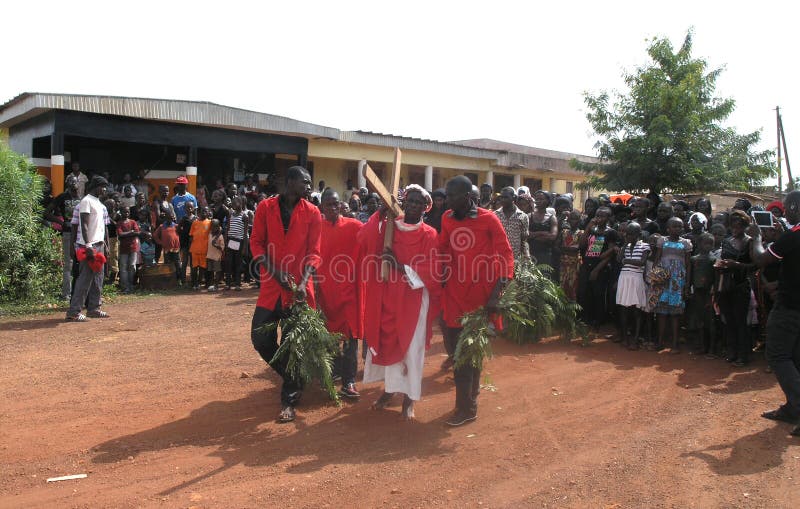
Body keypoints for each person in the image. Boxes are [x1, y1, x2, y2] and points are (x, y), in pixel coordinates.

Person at [360, 185, 441, 419]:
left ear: (426, 208)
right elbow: (364, 239)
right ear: (404, 202)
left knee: (411, 349)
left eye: (419, 203)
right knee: (390, 343)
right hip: (389, 295)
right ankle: (390, 390)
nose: (414, 206)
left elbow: (433, 271)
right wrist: (381, 213)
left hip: (413, 298)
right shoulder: (390, 228)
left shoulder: (429, 234)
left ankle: (409, 399)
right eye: (410, 201)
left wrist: (399, 266)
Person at [439, 176, 514, 426]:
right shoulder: (447, 218)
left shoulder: (488, 218)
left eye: (451, 196)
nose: (447, 200)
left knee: (467, 352)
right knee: (458, 347)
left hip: (480, 295)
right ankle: (471, 393)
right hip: (453, 293)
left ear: (467, 197)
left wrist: (496, 293)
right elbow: (443, 249)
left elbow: (505, 254)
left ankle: (466, 408)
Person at [249, 166, 322, 423]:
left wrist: (303, 283)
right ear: (290, 181)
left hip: (299, 292)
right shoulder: (265, 208)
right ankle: (294, 377)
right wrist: (273, 271)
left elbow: (315, 252)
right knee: (260, 338)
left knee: (293, 345)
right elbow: (256, 242)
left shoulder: (313, 212)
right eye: (305, 182)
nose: (309, 187)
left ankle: (288, 400)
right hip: (271, 287)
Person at [748, 191, 800, 436]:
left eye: (788, 208)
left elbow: (760, 259)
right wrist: (782, 236)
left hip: (790, 307)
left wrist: (757, 237)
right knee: (795, 358)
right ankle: (792, 408)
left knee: (778, 355)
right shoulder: (791, 236)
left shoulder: (794, 235)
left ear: (794, 207)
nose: (786, 212)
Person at [316, 190, 363, 399]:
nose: (333, 208)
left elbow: (372, 235)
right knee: (330, 339)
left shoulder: (354, 226)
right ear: (322, 207)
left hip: (350, 293)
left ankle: (350, 381)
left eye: (336, 204)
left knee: (352, 338)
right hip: (325, 294)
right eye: (328, 205)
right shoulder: (316, 229)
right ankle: (333, 373)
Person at [66, 176, 110, 321]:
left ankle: (94, 308)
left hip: (99, 245)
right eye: (103, 186)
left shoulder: (98, 203)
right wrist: (88, 245)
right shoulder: (86, 201)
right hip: (89, 246)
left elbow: (101, 227)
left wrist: (105, 244)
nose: (105, 189)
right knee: (85, 278)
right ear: (96, 186)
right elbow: (83, 225)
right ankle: (74, 312)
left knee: (98, 278)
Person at [715, 210, 753, 366]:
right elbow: (722, 260)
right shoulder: (727, 241)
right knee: (729, 321)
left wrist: (736, 265)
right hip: (726, 285)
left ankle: (743, 355)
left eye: (738, 226)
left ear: (744, 226)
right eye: (732, 226)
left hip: (741, 286)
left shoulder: (750, 242)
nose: (735, 229)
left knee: (740, 322)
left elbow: (754, 265)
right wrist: (722, 265)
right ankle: (732, 352)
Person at [654, 217, 692, 353]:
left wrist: (687, 284)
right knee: (662, 313)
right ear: (668, 228)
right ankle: (660, 342)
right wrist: (655, 278)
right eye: (674, 226)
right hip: (663, 280)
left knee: (675, 314)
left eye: (680, 226)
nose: (677, 229)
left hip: (677, 282)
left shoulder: (686, 243)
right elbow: (657, 259)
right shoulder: (662, 241)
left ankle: (675, 344)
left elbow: (688, 264)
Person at [578, 206, 620, 327]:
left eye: (602, 216)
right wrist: (588, 227)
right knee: (584, 292)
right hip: (587, 264)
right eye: (597, 215)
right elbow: (582, 244)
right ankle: (586, 318)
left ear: (608, 218)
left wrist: (596, 270)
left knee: (598, 294)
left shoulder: (611, 232)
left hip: (601, 267)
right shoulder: (593, 230)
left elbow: (610, 253)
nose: (599, 218)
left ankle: (598, 320)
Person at [45, 175, 82, 300]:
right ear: (67, 184)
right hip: (68, 233)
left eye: (75, 181)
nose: (73, 183)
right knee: (68, 264)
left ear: (78, 183)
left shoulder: (81, 198)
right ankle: (66, 293)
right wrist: (61, 222)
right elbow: (46, 213)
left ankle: (79, 291)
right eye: (70, 182)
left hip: (81, 234)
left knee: (81, 262)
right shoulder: (62, 197)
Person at [615, 222, 650, 350]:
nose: (628, 236)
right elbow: (619, 259)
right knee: (623, 310)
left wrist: (626, 261)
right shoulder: (626, 245)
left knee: (636, 311)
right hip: (624, 278)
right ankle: (625, 338)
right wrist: (625, 245)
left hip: (636, 279)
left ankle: (635, 339)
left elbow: (641, 262)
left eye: (631, 234)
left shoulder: (644, 246)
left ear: (638, 234)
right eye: (627, 234)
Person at [689, 233, 716, 356]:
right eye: (706, 243)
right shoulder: (694, 259)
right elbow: (690, 276)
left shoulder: (714, 260)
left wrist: (713, 294)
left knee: (710, 321)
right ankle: (702, 346)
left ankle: (712, 348)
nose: (709, 246)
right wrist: (687, 289)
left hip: (709, 293)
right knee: (699, 320)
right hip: (697, 293)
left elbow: (715, 279)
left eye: (711, 243)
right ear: (699, 244)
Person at [494, 186, 530, 262]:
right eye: (501, 197)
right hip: (497, 257)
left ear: (513, 198)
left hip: (515, 258)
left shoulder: (523, 216)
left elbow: (524, 240)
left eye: (506, 197)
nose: (503, 200)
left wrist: (527, 256)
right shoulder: (495, 215)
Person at [528, 190, 558, 268]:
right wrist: (542, 233)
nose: (538, 201)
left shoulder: (552, 218)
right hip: (530, 253)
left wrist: (534, 236)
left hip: (546, 254)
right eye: (537, 199)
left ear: (547, 200)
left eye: (541, 199)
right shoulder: (529, 216)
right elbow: (526, 234)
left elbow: (553, 236)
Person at [225, 196, 249, 291]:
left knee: (238, 263)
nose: (233, 205)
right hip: (231, 241)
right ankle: (228, 284)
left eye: (236, 203)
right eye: (233, 203)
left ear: (241, 204)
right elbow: (228, 228)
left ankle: (238, 284)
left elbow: (245, 233)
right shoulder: (230, 214)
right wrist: (226, 242)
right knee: (229, 263)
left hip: (239, 242)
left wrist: (244, 247)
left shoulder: (244, 216)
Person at [559, 210, 583, 301]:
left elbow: (577, 248)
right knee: (562, 285)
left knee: (573, 286)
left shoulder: (581, 233)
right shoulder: (564, 232)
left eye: (575, 219)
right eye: (571, 219)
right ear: (568, 220)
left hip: (574, 264)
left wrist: (565, 248)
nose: (573, 221)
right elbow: (558, 246)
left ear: (579, 220)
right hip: (563, 263)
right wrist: (568, 249)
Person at [116, 206, 140, 294]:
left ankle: (131, 285)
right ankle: (125, 287)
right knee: (123, 268)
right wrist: (131, 232)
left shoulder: (133, 222)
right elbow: (120, 234)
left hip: (133, 248)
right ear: (121, 212)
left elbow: (137, 232)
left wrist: (128, 234)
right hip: (123, 249)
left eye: (127, 212)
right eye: (124, 212)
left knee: (132, 266)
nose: (126, 213)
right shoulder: (119, 223)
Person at [153, 214, 182, 284]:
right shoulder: (162, 226)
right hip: (166, 249)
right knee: (167, 264)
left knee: (177, 264)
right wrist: (160, 242)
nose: (170, 220)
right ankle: (168, 280)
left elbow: (181, 234)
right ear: (166, 218)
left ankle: (179, 279)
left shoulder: (176, 226)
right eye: (169, 218)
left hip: (176, 249)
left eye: (172, 218)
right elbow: (155, 235)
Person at [189, 207, 212, 290]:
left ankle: (200, 282)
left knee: (203, 268)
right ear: (199, 213)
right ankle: (194, 284)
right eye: (202, 211)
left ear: (208, 212)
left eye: (206, 211)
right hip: (194, 249)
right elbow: (191, 236)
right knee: (194, 268)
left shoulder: (210, 223)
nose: (204, 213)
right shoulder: (194, 223)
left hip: (204, 250)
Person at [178, 202, 197, 285]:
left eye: (191, 207)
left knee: (193, 262)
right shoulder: (183, 219)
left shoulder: (196, 219)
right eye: (187, 207)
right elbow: (178, 228)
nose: (189, 209)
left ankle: (193, 280)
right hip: (185, 243)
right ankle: (183, 280)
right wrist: (182, 235)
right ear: (184, 209)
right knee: (184, 261)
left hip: (193, 243)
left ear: (193, 208)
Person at [206, 219, 225, 291]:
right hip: (209, 256)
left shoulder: (220, 237)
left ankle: (216, 285)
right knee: (210, 271)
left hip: (216, 257)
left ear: (218, 227)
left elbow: (222, 248)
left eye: (215, 227)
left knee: (217, 271)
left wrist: (216, 245)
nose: (213, 228)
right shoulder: (210, 234)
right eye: (212, 226)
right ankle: (211, 285)